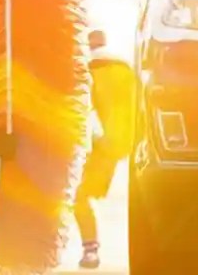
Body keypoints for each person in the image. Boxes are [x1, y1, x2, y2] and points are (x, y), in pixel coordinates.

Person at [75, 28, 138, 270]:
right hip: (133, 139)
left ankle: (90, 248)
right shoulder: (125, 67)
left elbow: (84, 109)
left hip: (102, 143)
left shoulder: (88, 68)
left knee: (78, 195)